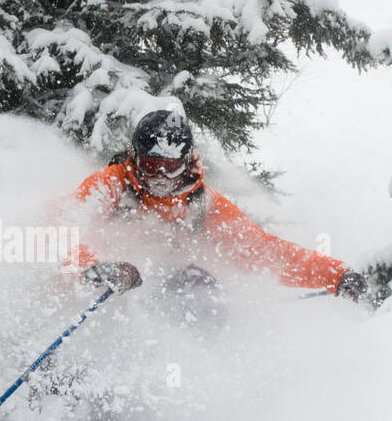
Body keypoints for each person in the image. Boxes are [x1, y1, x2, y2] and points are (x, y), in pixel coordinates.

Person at [64, 109, 368, 302]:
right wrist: (95, 268)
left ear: (185, 163)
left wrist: (334, 275)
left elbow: (261, 252)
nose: (158, 176)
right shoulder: (113, 184)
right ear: (136, 158)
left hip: (161, 295)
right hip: (103, 290)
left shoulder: (200, 203)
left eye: (168, 167)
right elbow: (65, 227)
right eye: (150, 164)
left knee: (199, 285)